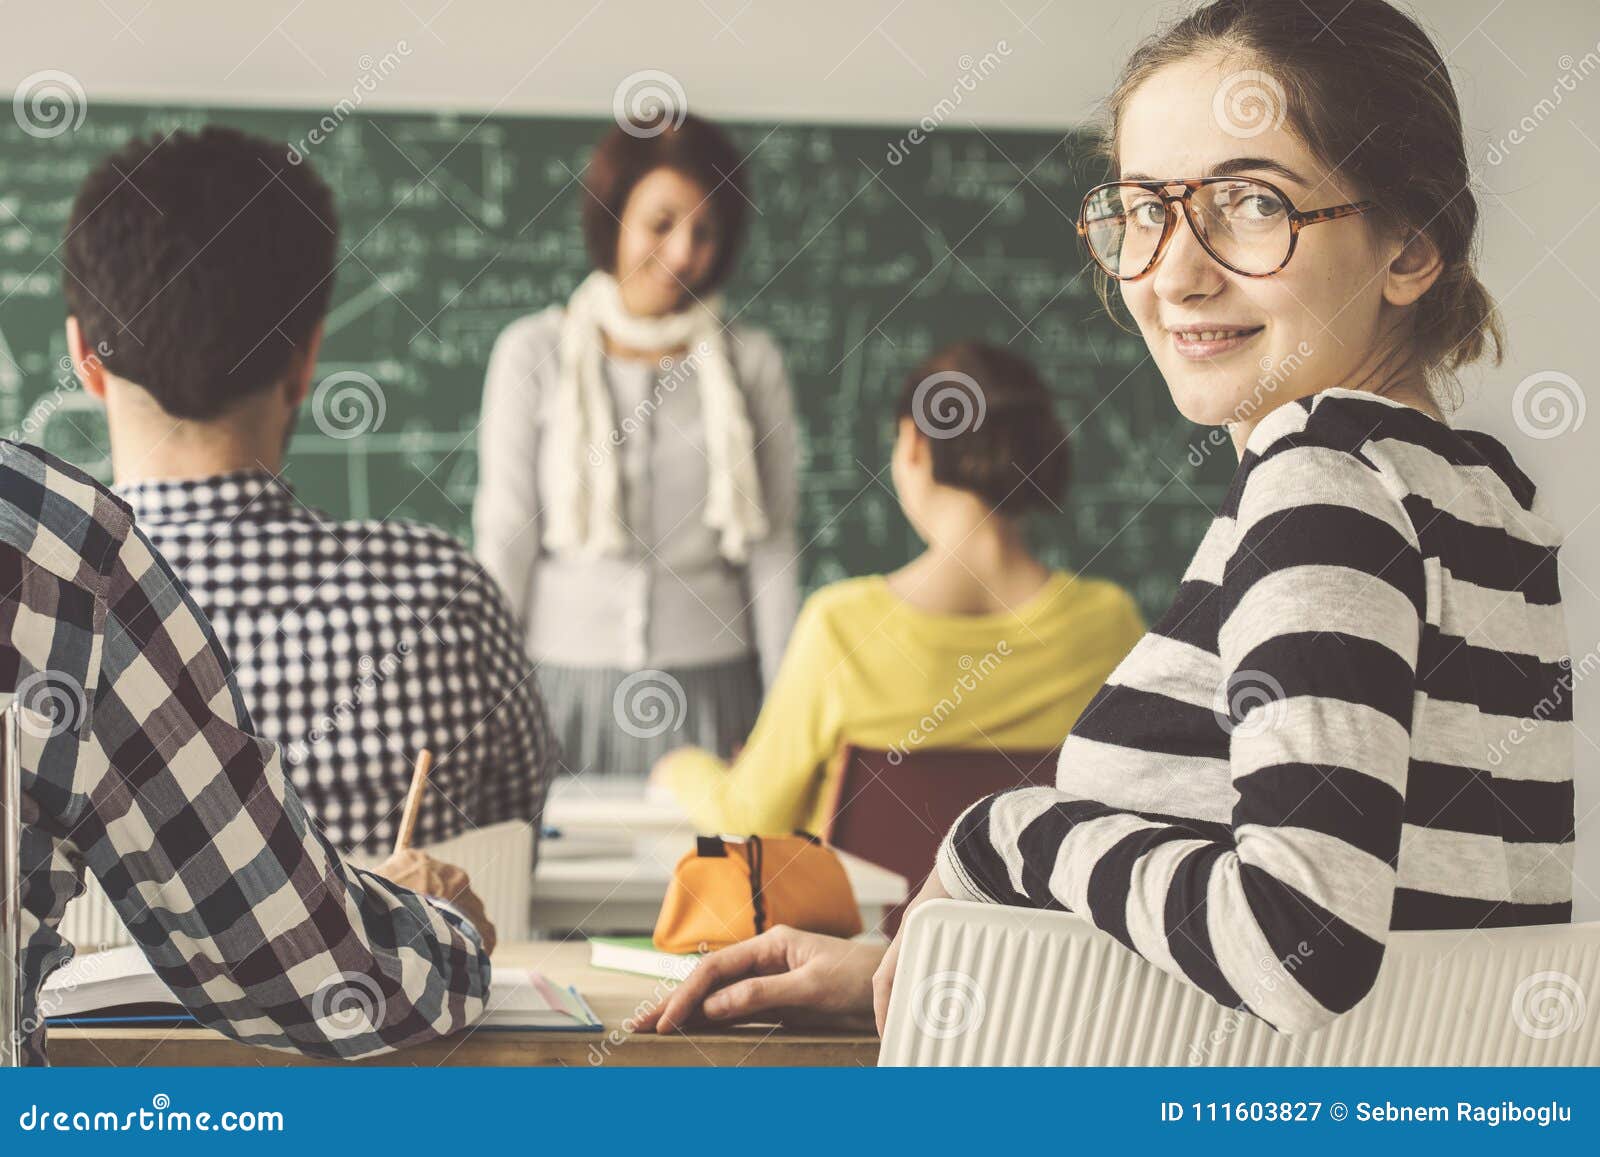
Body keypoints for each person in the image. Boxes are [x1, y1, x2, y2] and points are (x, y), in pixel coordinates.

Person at [641, 0, 1574, 1040]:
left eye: (1253, 203)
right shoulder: (1476, 500)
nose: (1173, 270)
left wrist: (1006, 831)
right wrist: (929, 958)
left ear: (1409, 246)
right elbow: (1383, 960)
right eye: (1143, 209)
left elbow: (1299, 945)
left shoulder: (1322, 484)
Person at [64, 127, 558, 856]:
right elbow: (510, 855)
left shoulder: (35, 608)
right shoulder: (444, 596)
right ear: (306, 361)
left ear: (87, 359)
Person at [6, 439, 498, 1065]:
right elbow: (312, 980)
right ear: (306, 362)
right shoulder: (49, 537)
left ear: (86, 360)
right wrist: (440, 923)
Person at [653, 342, 1144, 836]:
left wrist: (682, 770)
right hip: (1042, 913)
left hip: (866, 917)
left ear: (913, 443)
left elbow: (751, 818)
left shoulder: (842, 628)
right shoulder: (1111, 626)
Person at [473, 112, 799, 785]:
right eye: (661, 223)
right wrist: (483, 707)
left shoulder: (751, 363)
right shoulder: (532, 353)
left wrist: (786, 722)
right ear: (612, 216)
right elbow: (507, 538)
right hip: (556, 693)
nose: (683, 253)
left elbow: (771, 550)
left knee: (709, 890)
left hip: (715, 698)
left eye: (706, 233)